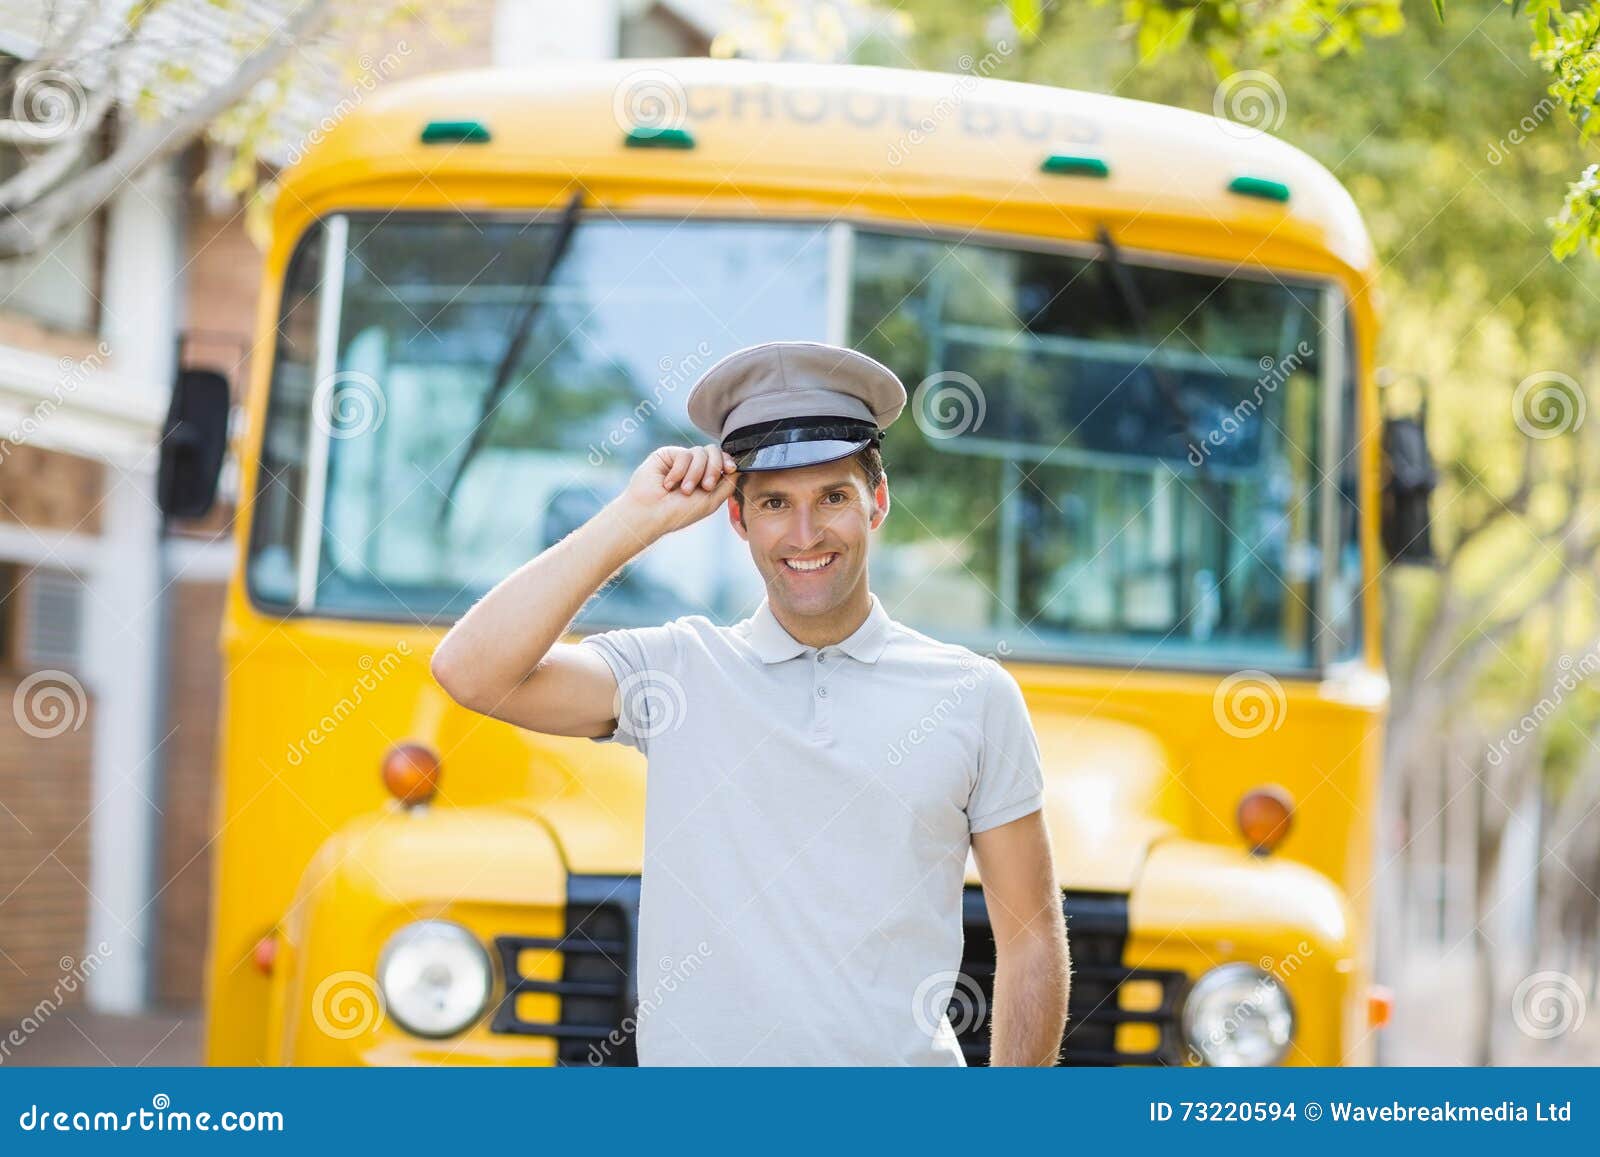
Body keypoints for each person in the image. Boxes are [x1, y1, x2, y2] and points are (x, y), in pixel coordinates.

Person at [431, 340, 1070, 1066]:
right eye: (774, 503)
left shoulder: (974, 695)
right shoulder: (677, 669)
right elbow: (469, 670)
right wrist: (634, 519)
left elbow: (1031, 937)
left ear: (878, 502)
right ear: (737, 520)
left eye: (833, 496)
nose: (804, 535)